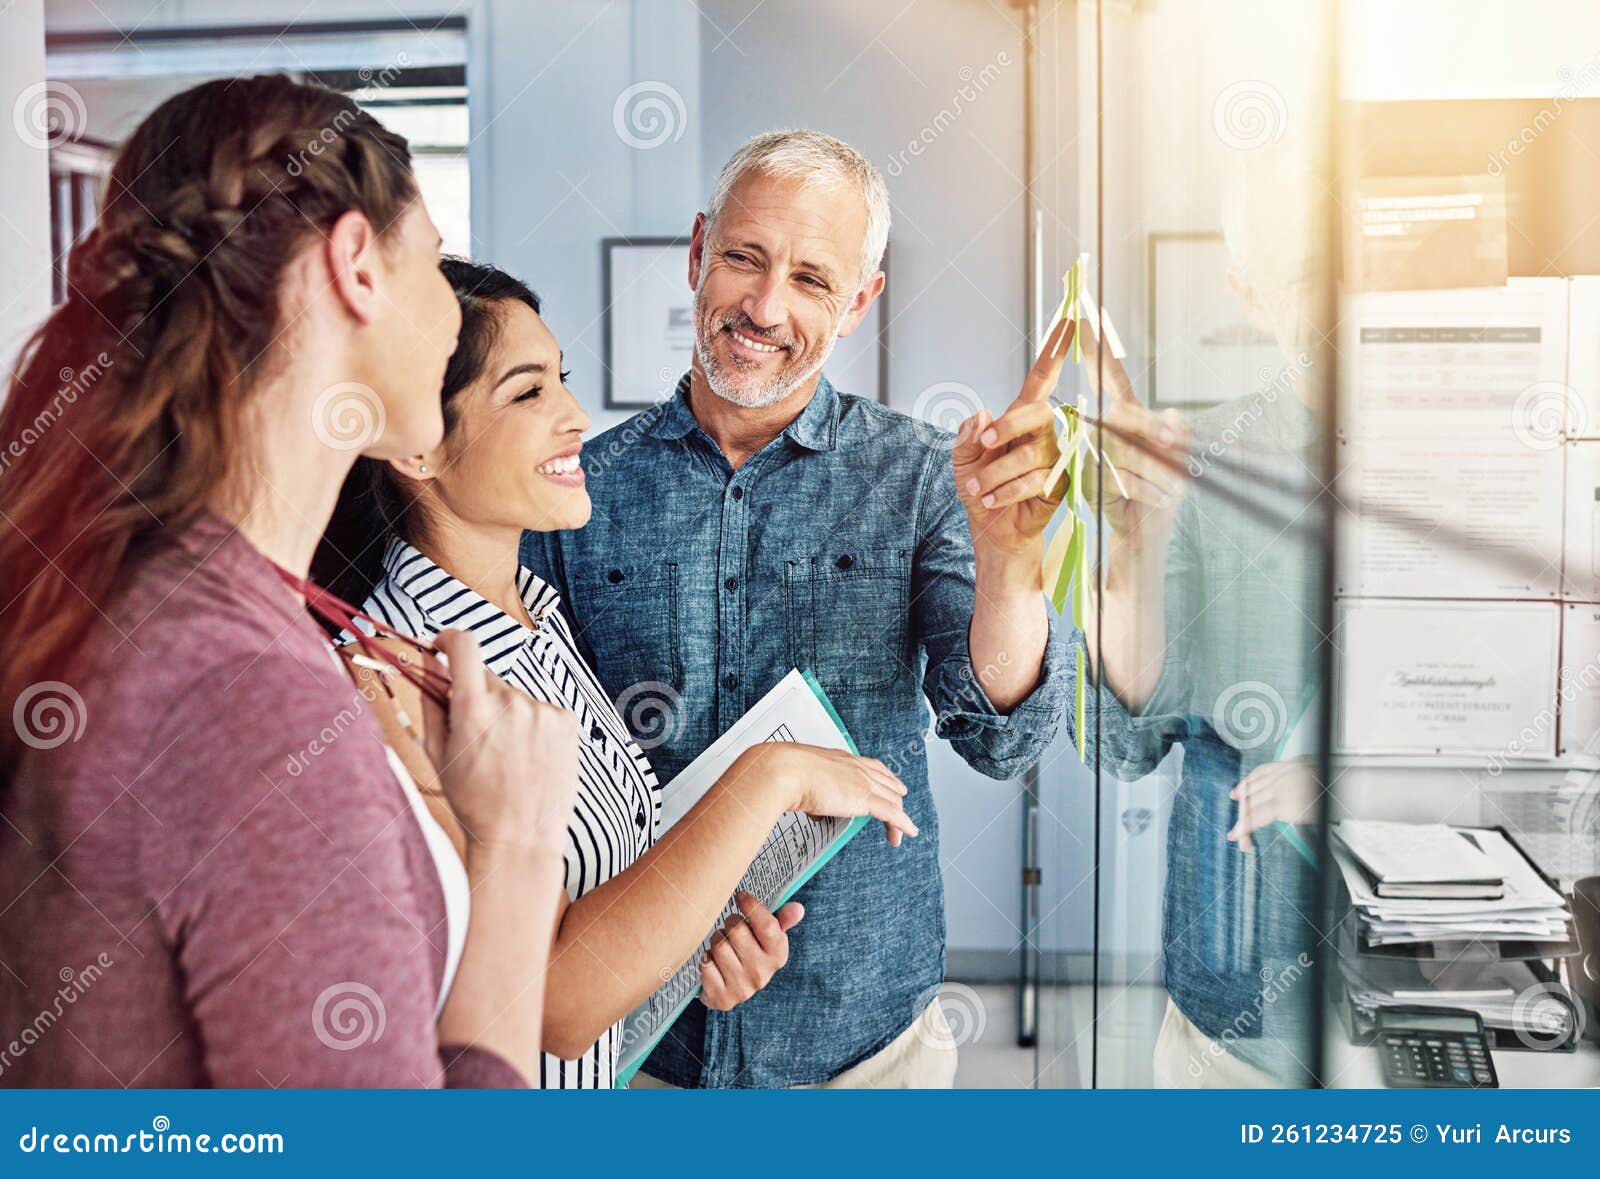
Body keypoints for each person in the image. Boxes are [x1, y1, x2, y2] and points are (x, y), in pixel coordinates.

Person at [0, 75, 572, 1087]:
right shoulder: (244, 690)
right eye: (433, 262)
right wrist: (520, 847)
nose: (449, 311)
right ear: (357, 263)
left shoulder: (173, 598)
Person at [523, 130, 1072, 1088]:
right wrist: (683, 910)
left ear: (860, 300)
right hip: (649, 1044)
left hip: (864, 1044)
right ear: (698, 253)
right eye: (744, 257)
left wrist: (1010, 561)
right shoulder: (577, 492)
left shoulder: (920, 479)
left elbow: (1001, 741)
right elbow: (540, 780)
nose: (765, 307)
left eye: (813, 279)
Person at [316, 258, 919, 1088]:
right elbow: (554, 1002)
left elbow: (587, 915)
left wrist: (690, 936)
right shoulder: (402, 677)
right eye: (527, 393)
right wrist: (770, 779)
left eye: (560, 380)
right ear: (417, 445)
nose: (574, 415)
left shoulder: (533, 615)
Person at [1064, 144, 1330, 1087]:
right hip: (1242, 1010)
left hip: (1472, 987)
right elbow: (1119, 743)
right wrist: (1134, 549)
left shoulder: (1526, 461)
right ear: (1248, 291)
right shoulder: (1200, 463)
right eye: (1306, 275)